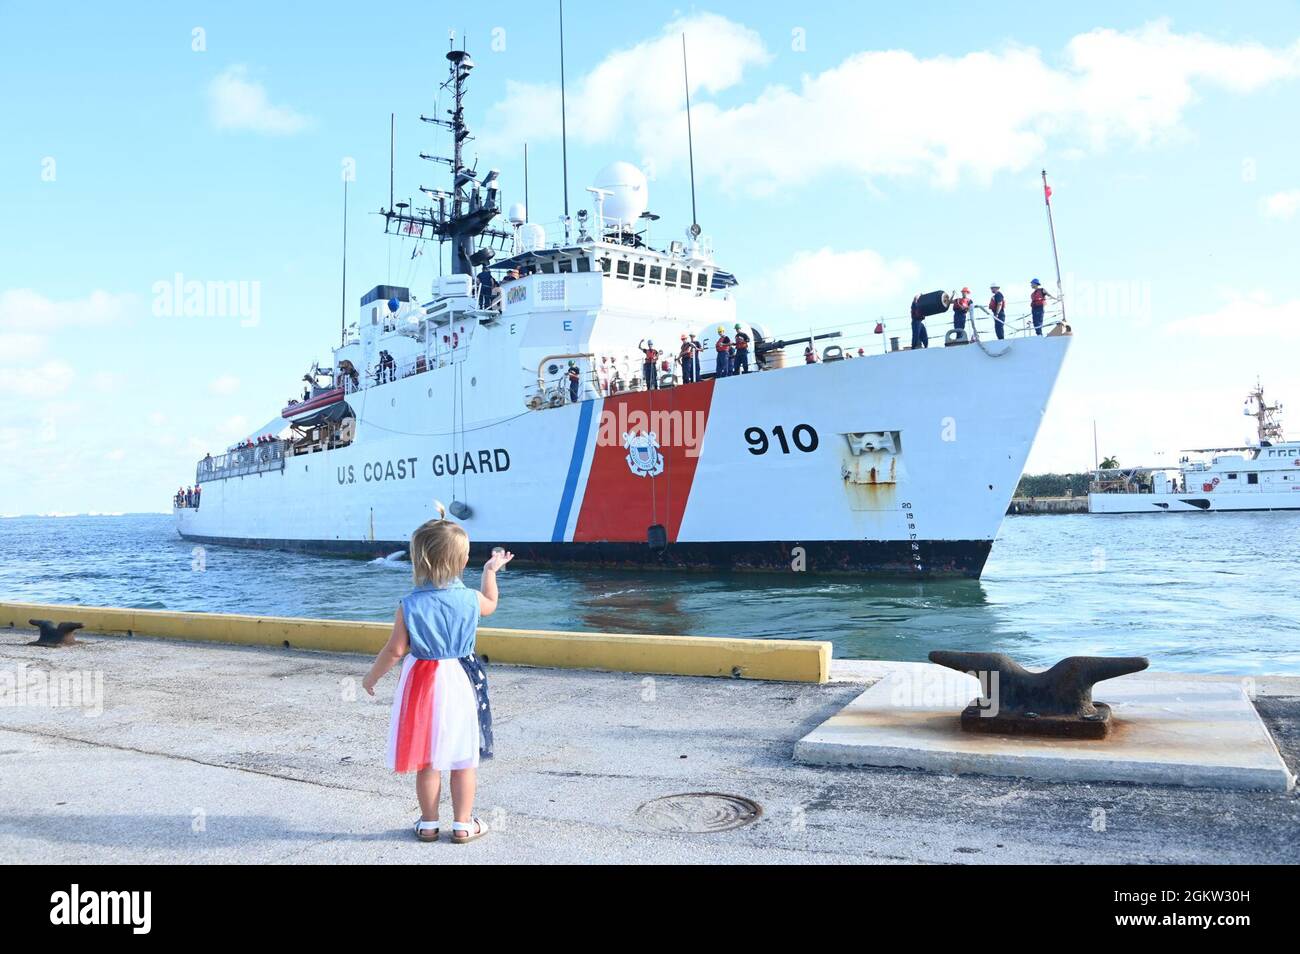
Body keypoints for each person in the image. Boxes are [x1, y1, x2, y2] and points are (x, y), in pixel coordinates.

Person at [362, 505, 512, 844]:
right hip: (462, 679)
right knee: (463, 756)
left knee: (427, 759)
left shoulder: (409, 604)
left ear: (420, 560)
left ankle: (429, 823)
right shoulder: (471, 599)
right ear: (461, 561)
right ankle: (463, 824)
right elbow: (491, 602)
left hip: (422, 684)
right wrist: (491, 570)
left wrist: (371, 678)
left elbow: (395, 650)